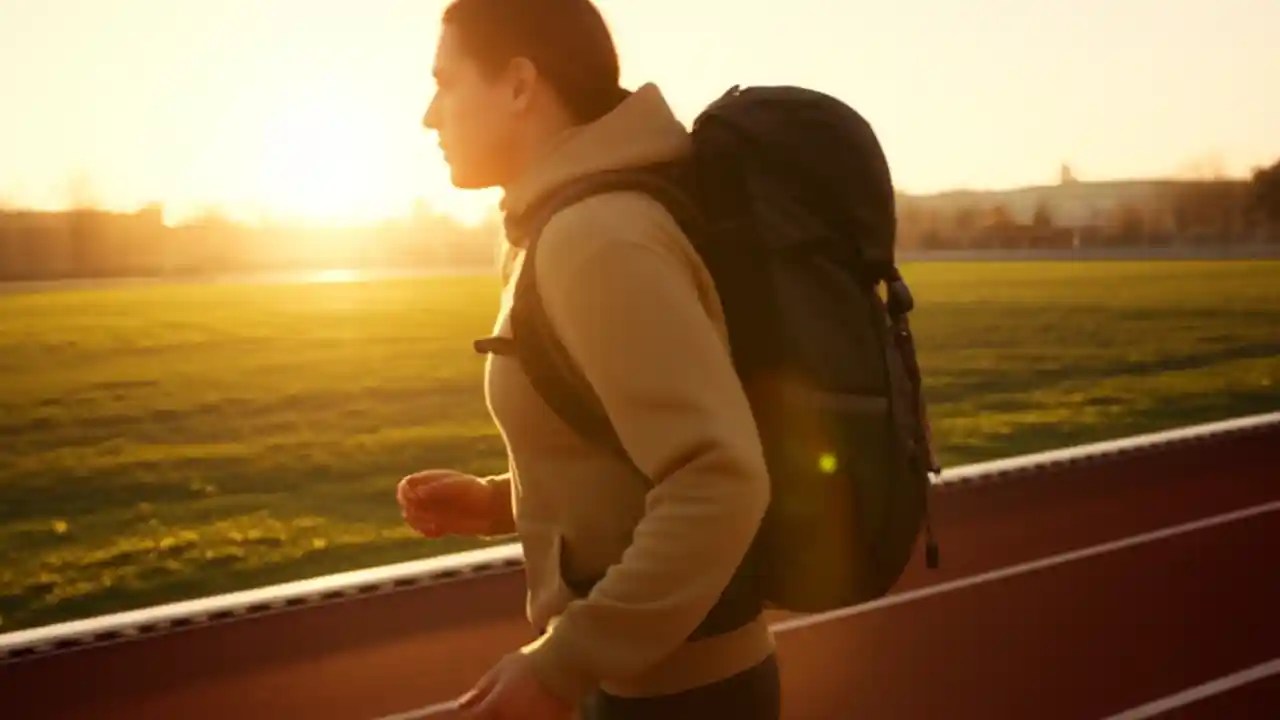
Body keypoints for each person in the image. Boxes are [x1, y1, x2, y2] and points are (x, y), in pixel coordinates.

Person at [396, 1, 779, 717]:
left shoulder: (597, 238)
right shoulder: (558, 226)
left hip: (680, 698)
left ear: (519, 85)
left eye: (445, 83)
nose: (428, 116)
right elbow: (620, 447)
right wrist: (500, 501)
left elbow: (719, 475)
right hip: (639, 684)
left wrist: (564, 662)